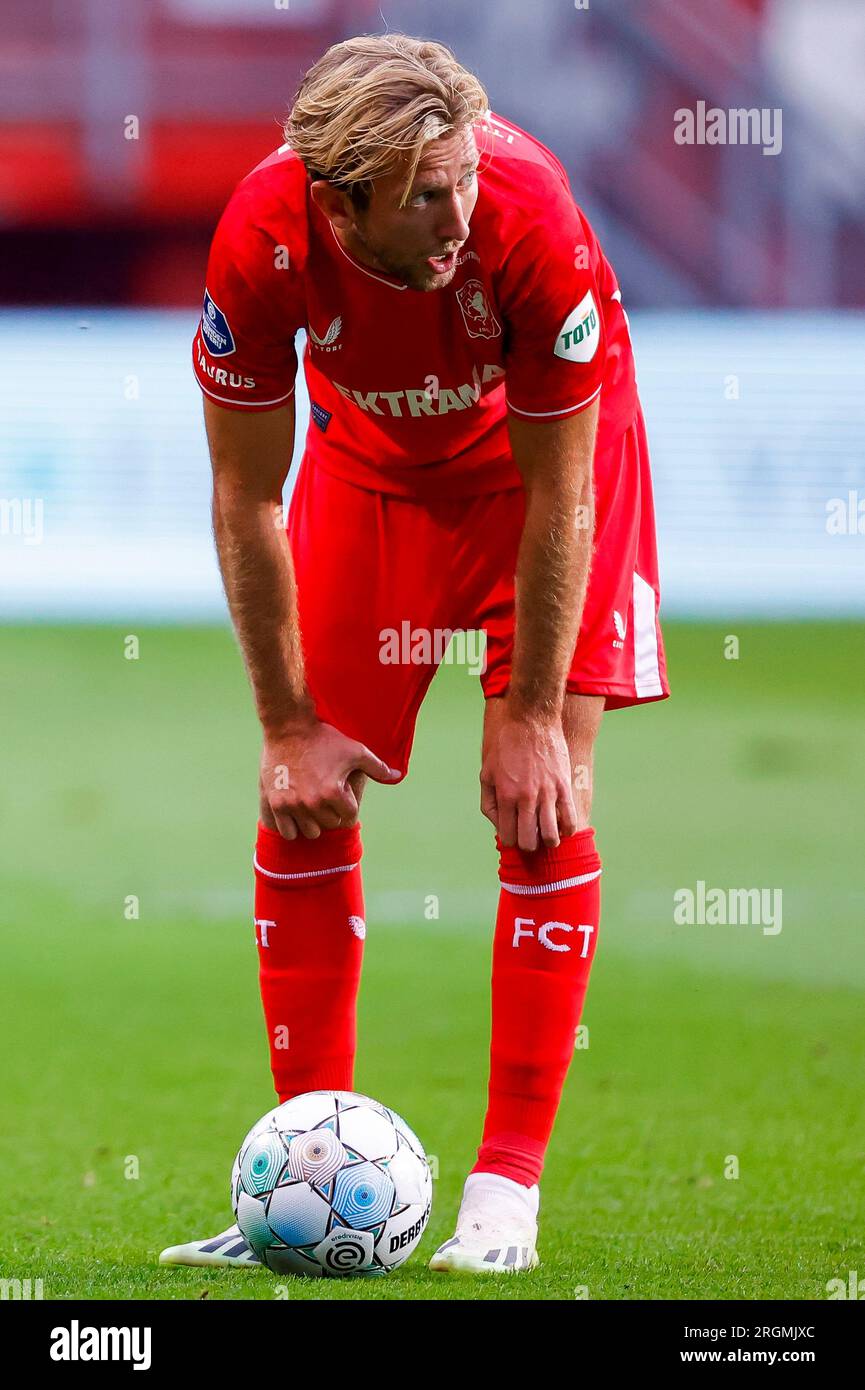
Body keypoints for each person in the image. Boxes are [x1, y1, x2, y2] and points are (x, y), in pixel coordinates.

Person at [160, 32, 668, 1277]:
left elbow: (564, 500)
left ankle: (505, 1192)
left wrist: (531, 709)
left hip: (537, 494)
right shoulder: (259, 241)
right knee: (301, 804)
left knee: (541, 803)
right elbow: (244, 500)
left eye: (462, 181)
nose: (457, 215)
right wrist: (286, 725)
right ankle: (297, 1166)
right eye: (423, 197)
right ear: (337, 204)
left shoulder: (534, 221)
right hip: (364, 475)